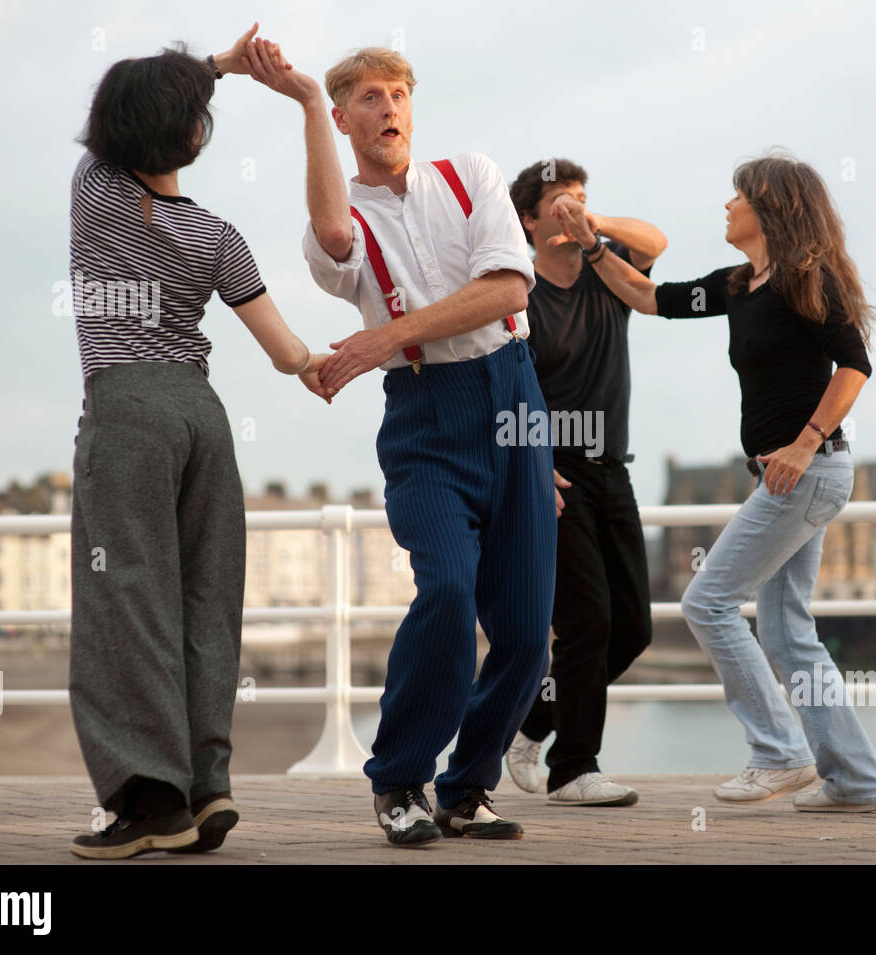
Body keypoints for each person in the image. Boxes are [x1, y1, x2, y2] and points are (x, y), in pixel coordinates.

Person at [243, 40, 556, 846]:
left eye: (398, 95)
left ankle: (467, 785)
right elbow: (330, 233)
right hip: (426, 419)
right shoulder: (340, 225)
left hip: (514, 397)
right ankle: (400, 778)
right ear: (347, 119)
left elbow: (509, 290)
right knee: (448, 589)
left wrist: (386, 336)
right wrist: (310, 101)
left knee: (526, 629)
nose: (389, 109)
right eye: (369, 100)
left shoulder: (473, 177)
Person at [555, 151, 876, 812]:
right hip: (793, 476)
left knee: (706, 601)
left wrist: (803, 442)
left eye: (738, 197)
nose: (728, 205)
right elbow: (651, 297)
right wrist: (594, 244)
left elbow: (853, 366)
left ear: (769, 208)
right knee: (788, 630)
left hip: (808, 470)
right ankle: (855, 777)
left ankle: (780, 752)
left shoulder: (805, 277)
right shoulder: (739, 286)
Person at [67, 27, 334, 860]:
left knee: (127, 602)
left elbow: (131, 110)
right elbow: (292, 356)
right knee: (206, 600)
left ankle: (152, 802)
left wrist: (218, 65)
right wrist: (354, 356)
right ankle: (206, 783)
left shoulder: (97, 191)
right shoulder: (217, 236)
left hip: (128, 413)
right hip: (202, 417)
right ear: (193, 134)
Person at [502, 159, 665, 806]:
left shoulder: (608, 270)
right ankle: (573, 768)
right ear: (528, 219)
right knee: (586, 622)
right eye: (558, 200)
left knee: (633, 630)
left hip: (613, 470)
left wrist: (592, 222)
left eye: (581, 196)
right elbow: (503, 392)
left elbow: (657, 241)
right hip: (554, 477)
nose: (572, 207)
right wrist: (534, 465)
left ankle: (535, 723)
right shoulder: (517, 293)